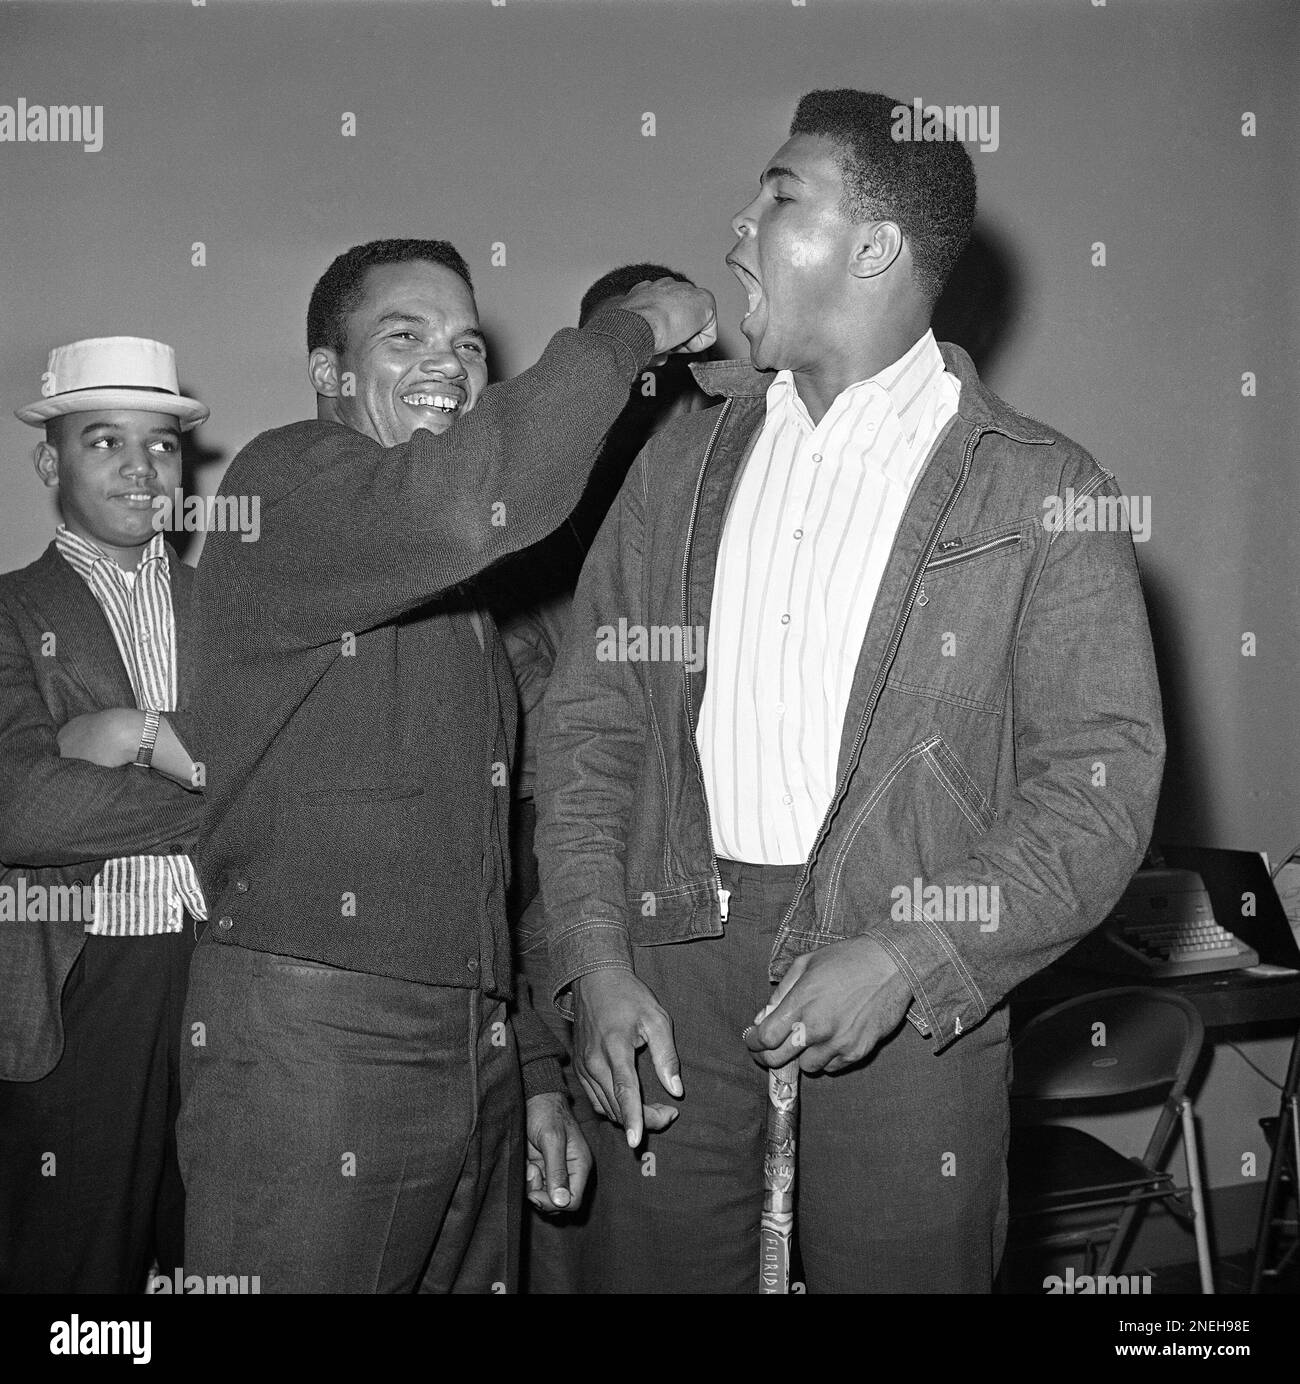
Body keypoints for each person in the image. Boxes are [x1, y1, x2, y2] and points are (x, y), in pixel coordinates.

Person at [535, 90, 1166, 1293]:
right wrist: (597, 963)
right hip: (668, 974)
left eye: (778, 196)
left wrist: (904, 954)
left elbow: (1096, 793)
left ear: (874, 247)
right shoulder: (680, 459)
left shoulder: (1042, 489)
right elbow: (588, 731)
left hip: (913, 994)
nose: (737, 224)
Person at [178, 238, 714, 1292]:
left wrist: (531, 1071)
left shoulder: (464, 605)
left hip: (468, 1046)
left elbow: (487, 870)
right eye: (404, 335)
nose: (450, 360)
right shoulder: (284, 478)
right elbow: (475, 498)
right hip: (315, 1040)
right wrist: (634, 327)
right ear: (328, 375)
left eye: (468, 343)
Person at [494, 261, 712, 1292]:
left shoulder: (738, 510)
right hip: (587, 955)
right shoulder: (531, 557)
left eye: (688, 366)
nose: (668, 392)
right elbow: (532, 811)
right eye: (641, 365)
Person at [0, 336, 207, 1291]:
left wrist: (125, 734)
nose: (139, 467)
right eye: (104, 442)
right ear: (51, 460)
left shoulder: (238, 610)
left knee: (211, 1246)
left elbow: (304, 769)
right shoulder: (8, 614)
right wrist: (212, 782)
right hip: (84, 979)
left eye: (161, 445)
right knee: (78, 1269)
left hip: (234, 972)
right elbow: (21, 806)